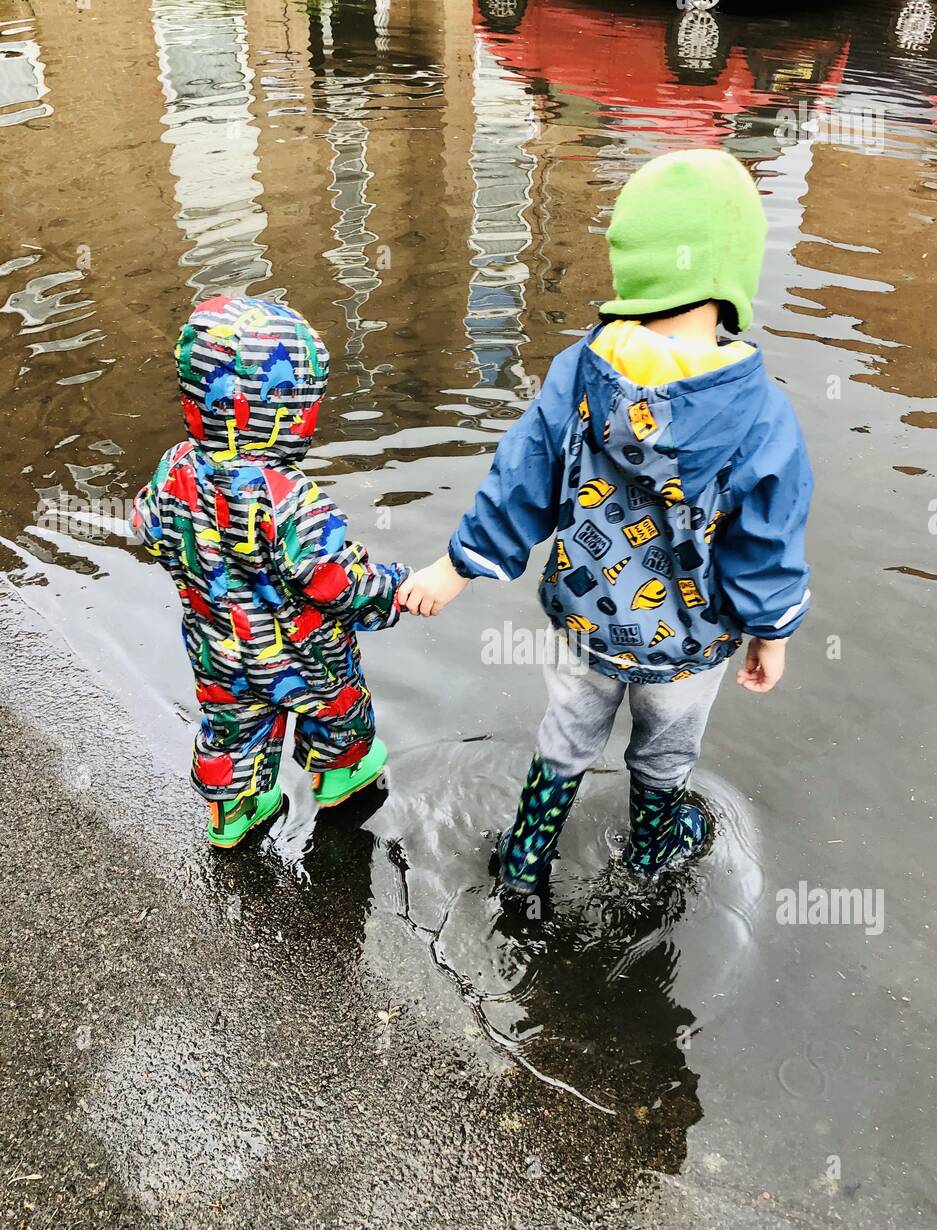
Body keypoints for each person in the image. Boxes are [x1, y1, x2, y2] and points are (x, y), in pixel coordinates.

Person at [400, 149, 813, 893]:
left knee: (566, 736)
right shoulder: (758, 411)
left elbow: (521, 479)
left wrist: (457, 565)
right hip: (688, 640)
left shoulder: (580, 370)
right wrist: (770, 631)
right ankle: (652, 853)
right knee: (664, 754)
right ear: (733, 273)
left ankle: (524, 858)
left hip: (587, 621)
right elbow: (766, 541)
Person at [133, 295, 408, 848]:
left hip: (217, 648)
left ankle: (235, 812)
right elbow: (335, 582)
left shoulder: (175, 466)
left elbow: (148, 525)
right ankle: (341, 774)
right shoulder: (289, 498)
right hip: (305, 652)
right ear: (282, 410)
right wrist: (394, 590)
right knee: (337, 706)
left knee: (230, 729)